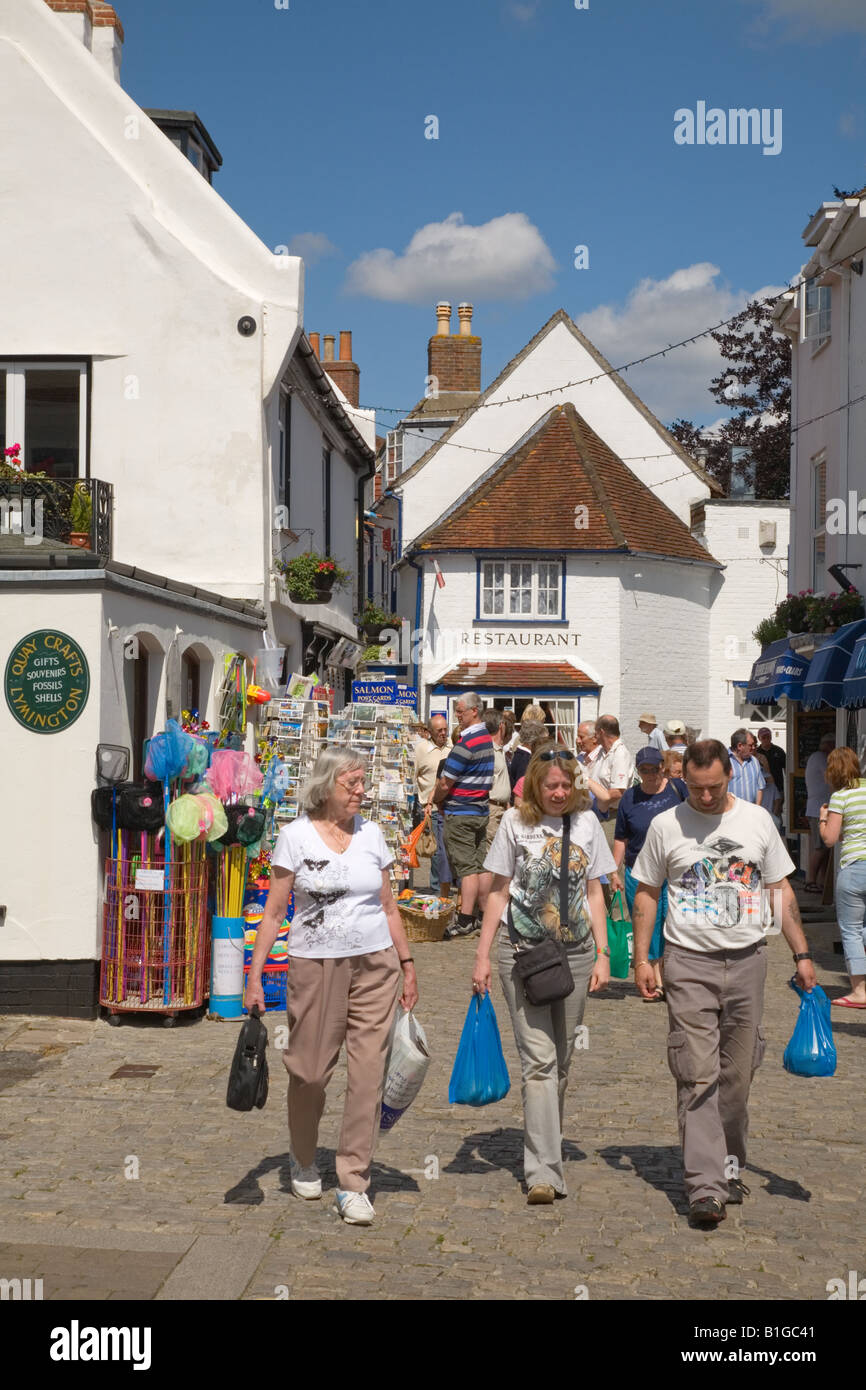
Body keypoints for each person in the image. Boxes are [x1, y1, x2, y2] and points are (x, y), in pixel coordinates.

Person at [630, 738, 816, 1228]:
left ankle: (730, 1166)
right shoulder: (666, 826)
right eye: (695, 788)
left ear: (728, 776)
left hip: (749, 961)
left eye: (713, 788)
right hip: (688, 962)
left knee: (737, 1077)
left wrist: (800, 952)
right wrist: (642, 959)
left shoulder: (756, 821)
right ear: (682, 778)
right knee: (697, 1073)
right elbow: (646, 893)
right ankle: (705, 1187)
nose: (705, 797)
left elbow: (778, 887)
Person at [245, 748, 419, 1227]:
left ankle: (353, 1181)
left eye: (363, 782)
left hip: (374, 964)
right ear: (326, 786)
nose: (362, 791)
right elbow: (275, 913)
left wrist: (406, 963)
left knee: (367, 1074)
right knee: (310, 1072)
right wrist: (255, 974)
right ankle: (303, 1156)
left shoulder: (372, 835)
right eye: (353, 784)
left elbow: (387, 905)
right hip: (315, 966)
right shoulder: (295, 837)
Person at [472, 741, 612, 1203]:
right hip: (523, 955)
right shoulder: (514, 824)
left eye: (565, 785)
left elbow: (595, 892)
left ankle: (545, 1141)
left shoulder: (588, 823)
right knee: (540, 1063)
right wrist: (482, 955)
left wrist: (605, 953)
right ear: (534, 785)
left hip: (575, 955)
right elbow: (497, 892)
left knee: (563, 1061)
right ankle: (544, 1173)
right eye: (549, 785)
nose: (558, 792)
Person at [613, 747, 688, 999]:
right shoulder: (629, 798)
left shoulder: (677, 790)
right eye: (644, 770)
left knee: (673, 919)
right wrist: (615, 871)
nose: (650, 775)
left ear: (662, 768)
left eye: (654, 770)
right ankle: (656, 979)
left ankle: (672, 974)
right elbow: (621, 838)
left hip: (674, 869)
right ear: (638, 770)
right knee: (648, 923)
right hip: (639, 870)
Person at [433, 692, 494, 938]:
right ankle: (484, 915)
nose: (457, 715)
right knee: (481, 865)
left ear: (474, 711)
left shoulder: (466, 742)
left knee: (466, 869)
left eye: (460, 711)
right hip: (480, 808)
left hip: (461, 810)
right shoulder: (486, 739)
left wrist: (436, 799)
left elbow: (446, 782)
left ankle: (465, 919)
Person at [818, 746, 866, 1008]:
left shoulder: (840, 797)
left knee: (851, 931)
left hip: (855, 869)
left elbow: (830, 839)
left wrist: (823, 820)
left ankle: (860, 991)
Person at [414, 713, 452, 898]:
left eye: (446, 729)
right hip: (431, 809)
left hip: (451, 808)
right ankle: (437, 890)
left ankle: (445, 887)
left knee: (448, 852)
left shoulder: (452, 748)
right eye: (440, 730)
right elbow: (413, 777)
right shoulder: (421, 749)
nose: (444, 733)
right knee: (437, 853)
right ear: (429, 732)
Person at [585, 714, 635, 850]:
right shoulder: (602, 751)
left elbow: (617, 792)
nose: (594, 736)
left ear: (601, 732)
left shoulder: (620, 754)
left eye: (595, 732)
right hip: (597, 815)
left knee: (609, 864)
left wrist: (598, 807)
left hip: (611, 818)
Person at [804, 734, 834, 893]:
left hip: (818, 807)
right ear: (829, 745)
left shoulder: (816, 757)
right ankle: (810, 881)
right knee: (820, 847)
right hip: (819, 809)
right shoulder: (820, 757)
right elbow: (831, 777)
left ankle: (822, 882)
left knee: (825, 848)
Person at [484, 708, 512, 848]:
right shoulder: (489, 750)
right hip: (492, 809)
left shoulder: (499, 749)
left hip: (500, 808)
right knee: (493, 852)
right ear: (501, 725)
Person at [508, 718, 550, 795]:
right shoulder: (524, 759)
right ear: (535, 740)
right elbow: (523, 790)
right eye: (544, 740)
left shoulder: (522, 755)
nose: (545, 744)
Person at [728, 729, 765, 806]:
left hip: (751, 813)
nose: (754, 748)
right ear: (740, 746)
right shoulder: (723, 761)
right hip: (731, 813)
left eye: (754, 745)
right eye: (750, 745)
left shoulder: (754, 761)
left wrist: (757, 808)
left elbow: (760, 788)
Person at [757, 727, 786, 813]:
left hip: (778, 786)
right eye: (763, 737)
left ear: (771, 737)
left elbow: (786, 769)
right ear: (759, 738)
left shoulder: (779, 751)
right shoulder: (756, 752)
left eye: (768, 737)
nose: (766, 739)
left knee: (777, 812)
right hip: (762, 789)